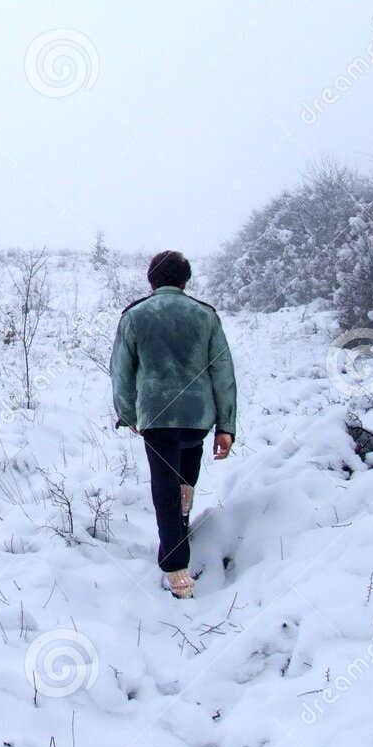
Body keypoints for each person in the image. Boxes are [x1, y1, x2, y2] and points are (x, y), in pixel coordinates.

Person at [111, 250, 237, 599]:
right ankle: (180, 529)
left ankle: (175, 567)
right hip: (198, 418)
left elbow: (121, 373)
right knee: (184, 479)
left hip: (156, 417)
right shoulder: (205, 316)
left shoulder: (135, 316)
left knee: (165, 486)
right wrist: (226, 426)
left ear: (152, 280)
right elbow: (223, 372)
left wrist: (130, 415)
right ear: (186, 280)